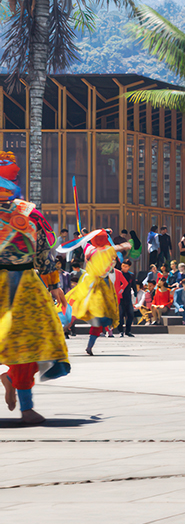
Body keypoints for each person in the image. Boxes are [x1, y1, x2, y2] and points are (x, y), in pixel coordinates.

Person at [0, 152, 69, 425]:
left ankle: (16, 391)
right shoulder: (30, 213)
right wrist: (52, 284)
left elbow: (42, 252)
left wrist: (53, 284)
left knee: (27, 346)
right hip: (26, 286)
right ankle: (24, 403)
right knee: (26, 346)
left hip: (26, 286)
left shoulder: (29, 213)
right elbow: (44, 253)